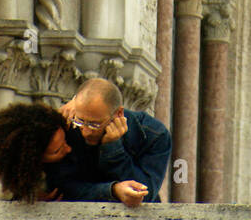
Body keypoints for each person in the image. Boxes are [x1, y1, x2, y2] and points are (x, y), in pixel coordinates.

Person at [45, 77, 171, 208]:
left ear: (118, 113)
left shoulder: (153, 134)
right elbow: (60, 188)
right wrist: (113, 191)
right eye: (81, 121)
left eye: (94, 124)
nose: (86, 132)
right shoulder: (68, 125)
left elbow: (144, 194)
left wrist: (113, 148)